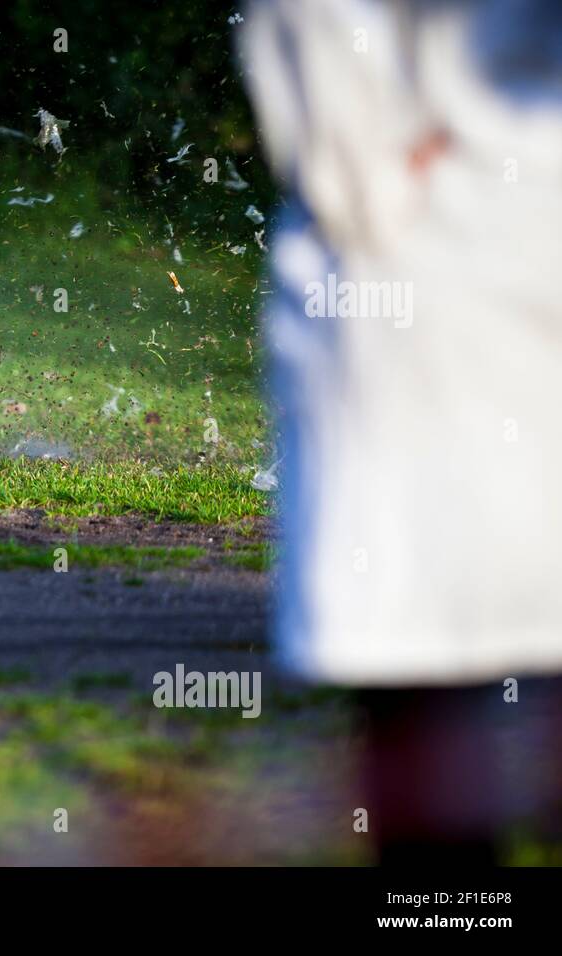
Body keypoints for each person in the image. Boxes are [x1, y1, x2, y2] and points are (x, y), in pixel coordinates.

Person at [238, 0, 562, 862]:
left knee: (431, 696)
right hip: (468, 262)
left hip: (432, 268)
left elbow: (327, 58)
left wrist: (367, 181)